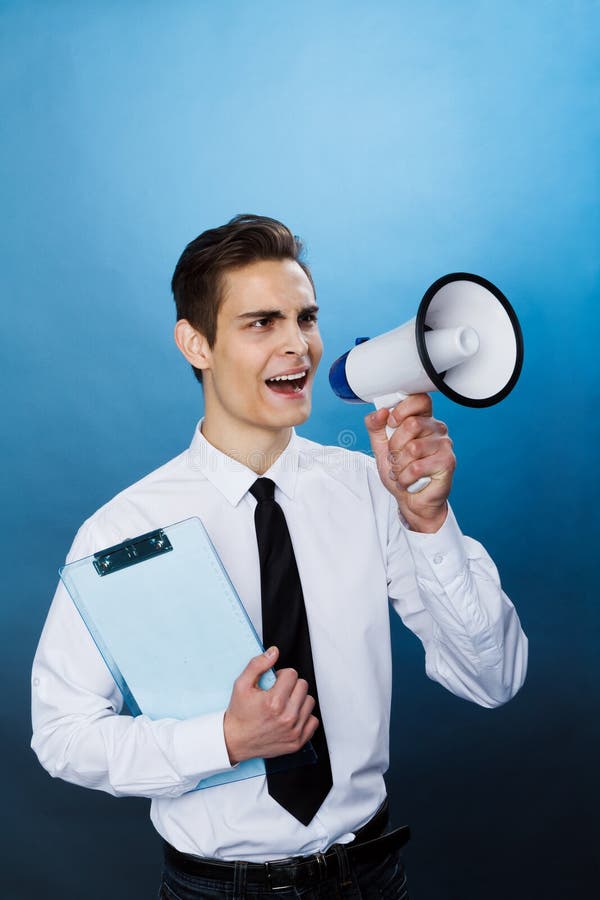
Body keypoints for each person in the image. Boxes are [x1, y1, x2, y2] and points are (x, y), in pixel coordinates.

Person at [31, 214, 528, 900]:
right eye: (261, 323)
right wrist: (224, 741)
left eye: (306, 317)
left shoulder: (372, 491)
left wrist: (428, 520)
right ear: (196, 343)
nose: (299, 346)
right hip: (214, 890)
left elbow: (493, 679)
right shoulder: (122, 529)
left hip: (369, 878)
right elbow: (62, 736)